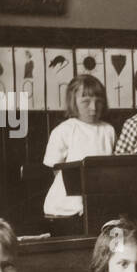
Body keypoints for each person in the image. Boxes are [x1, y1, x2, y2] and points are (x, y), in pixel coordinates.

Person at [42, 74, 116, 219]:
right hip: (67, 204)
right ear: (73, 102)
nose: (94, 108)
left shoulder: (108, 130)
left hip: (99, 197)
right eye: (86, 102)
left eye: (98, 102)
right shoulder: (65, 130)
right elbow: (55, 168)